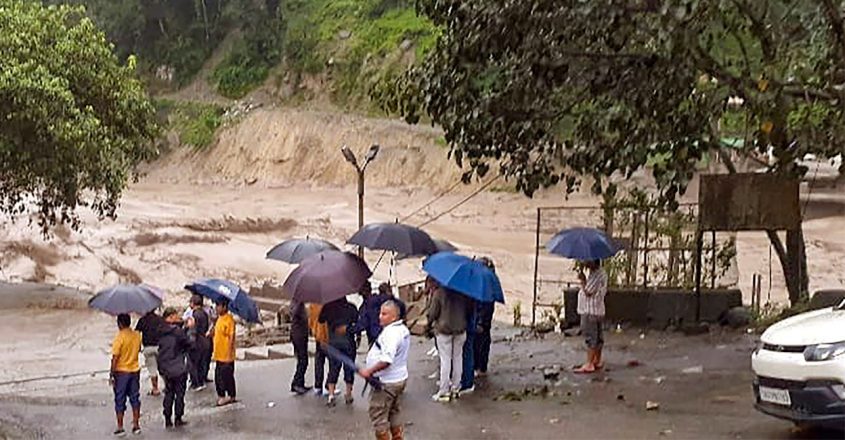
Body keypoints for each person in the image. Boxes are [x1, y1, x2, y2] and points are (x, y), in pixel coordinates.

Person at [360, 300, 410, 440]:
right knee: (393, 412)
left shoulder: (391, 333)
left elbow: (387, 360)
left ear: (394, 317)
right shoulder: (402, 329)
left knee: (379, 416)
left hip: (386, 383)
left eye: (384, 314)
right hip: (399, 379)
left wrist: (369, 371)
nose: (380, 317)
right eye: (380, 313)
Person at [426, 285, 469, 402]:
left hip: (444, 330)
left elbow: (433, 313)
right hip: (460, 329)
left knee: (445, 360)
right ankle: (455, 387)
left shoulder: (439, 293)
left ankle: (444, 390)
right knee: (458, 358)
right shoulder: (463, 292)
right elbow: (468, 310)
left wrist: (428, 325)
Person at [319, 297, 359, 406]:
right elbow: (357, 322)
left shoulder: (328, 307)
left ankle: (331, 395)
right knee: (349, 367)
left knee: (333, 368)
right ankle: (348, 394)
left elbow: (321, 320)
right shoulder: (351, 307)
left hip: (333, 342)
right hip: (348, 341)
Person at [157, 307, 192, 429]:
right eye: (176, 316)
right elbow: (188, 343)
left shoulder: (159, 330)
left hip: (165, 367)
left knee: (169, 393)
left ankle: (167, 419)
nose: (178, 318)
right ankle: (178, 418)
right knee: (179, 394)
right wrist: (187, 328)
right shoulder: (177, 331)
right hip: (178, 367)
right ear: (171, 317)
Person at [110, 313, 142, 436]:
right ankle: (136, 425)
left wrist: (111, 374)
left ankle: (120, 427)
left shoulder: (119, 337)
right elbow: (139, 349)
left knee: (120, 399)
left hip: (122, 372)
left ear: (120, 324)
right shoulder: (137, 335)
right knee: (135, 398)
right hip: (134, 370)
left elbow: (115, 357)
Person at [574, 260, 608, 374]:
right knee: (598, 337)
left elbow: (588, 291)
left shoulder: (597, 274)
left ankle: (589, 363)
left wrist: (583, 280)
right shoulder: (600, 273)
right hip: (597, 309)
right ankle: (596, 360)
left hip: (590, 310)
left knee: (591, 337)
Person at [211, 298, 237, 406]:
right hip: (218, 354)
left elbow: (231, 336)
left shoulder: (229, 320)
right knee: (218, 377)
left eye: (219, 306)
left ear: (225, 307)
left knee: (227, 377)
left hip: (226, 355)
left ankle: (231, 395)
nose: (217, 308)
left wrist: (230, 351)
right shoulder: (219, 319)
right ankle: (221, 395)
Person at [474, 258, 496, 377]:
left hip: (482, 321)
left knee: (480, 344)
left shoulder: (485, 287)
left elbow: (486, 307)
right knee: (481, 344)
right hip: (483, 321)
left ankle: (480, 367)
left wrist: (481, 322)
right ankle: (480, 367)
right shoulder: (489, 284)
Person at [185, 295, 212, 392]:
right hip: (204, 340)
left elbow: (193, 330)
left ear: (193, 303)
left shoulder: (195, 315)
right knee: (201, 362)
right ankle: (201, 381)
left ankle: (195, 383)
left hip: (196, 341)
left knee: (192, 363)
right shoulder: (204, 313)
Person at [135, 309, 164, 396]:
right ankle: (168, 386)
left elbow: (137, 334)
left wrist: (138, 347)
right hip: (159, 347)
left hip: (148, 348)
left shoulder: (142, 320)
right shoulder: (160, 319)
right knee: (163, 368)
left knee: (152, 370)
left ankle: (155, 389)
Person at [308, 303, 329, 396]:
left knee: (319, 361)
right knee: (333, 363)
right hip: (328, 336)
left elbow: (310, 321)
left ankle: (318, 385)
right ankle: (329, 385)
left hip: (318, 335)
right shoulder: (329, 303)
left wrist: (314, 330)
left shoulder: (313, 304)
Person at [289, 300, 310, 395]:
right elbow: (302, 317)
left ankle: (300, 383)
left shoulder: (294, 303)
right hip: (299, 335)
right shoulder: (298, 305)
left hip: (296, 334)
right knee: (303, 361)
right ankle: (296, 383)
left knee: (302, 360)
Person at [459, 297, 478, 395]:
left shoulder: (466, 298)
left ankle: (467, 382)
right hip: (470, 326)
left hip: (466, 327)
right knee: (467, 354)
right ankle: (466, 380)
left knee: (466, 355)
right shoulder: (474, 296)